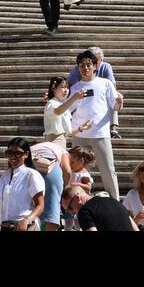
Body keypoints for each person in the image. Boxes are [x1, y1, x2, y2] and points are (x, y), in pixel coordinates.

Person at [59, 48, 123, 199]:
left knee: (108, 169)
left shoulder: (105, 83)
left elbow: (115, 106)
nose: (86, 68)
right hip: (80, 134)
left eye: (89, 64)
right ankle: (74, 200)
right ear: (78, 67)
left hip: (100, 133)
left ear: (95, 66)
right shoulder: (74, 88)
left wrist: (120, 102)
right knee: (76, 170)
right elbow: (66, 109)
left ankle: (115, 202)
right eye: (82, 65)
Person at [0, 138, 45, 230]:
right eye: (10, 153)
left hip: (25, 227)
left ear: (26, 154)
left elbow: (40, 205)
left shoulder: (31, 175)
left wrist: (27, 220)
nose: (13, 157)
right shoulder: (5, 175)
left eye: (18, 153)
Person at [62, 184, 137, 231]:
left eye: (70, 208)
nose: (72, 213)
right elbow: (135, 229)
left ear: (77, 197)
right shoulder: (115, 202)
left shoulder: (84, 212)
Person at [44, 76, 72, 144]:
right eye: (62, 87)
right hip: (54, 139)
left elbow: (69, 131)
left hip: (61, 139)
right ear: (53, 88)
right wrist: (74, 98)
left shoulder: (59, 104)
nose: (66, 90)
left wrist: (81, 128)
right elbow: (57, 111)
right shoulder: (52, 103)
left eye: (67, 87)